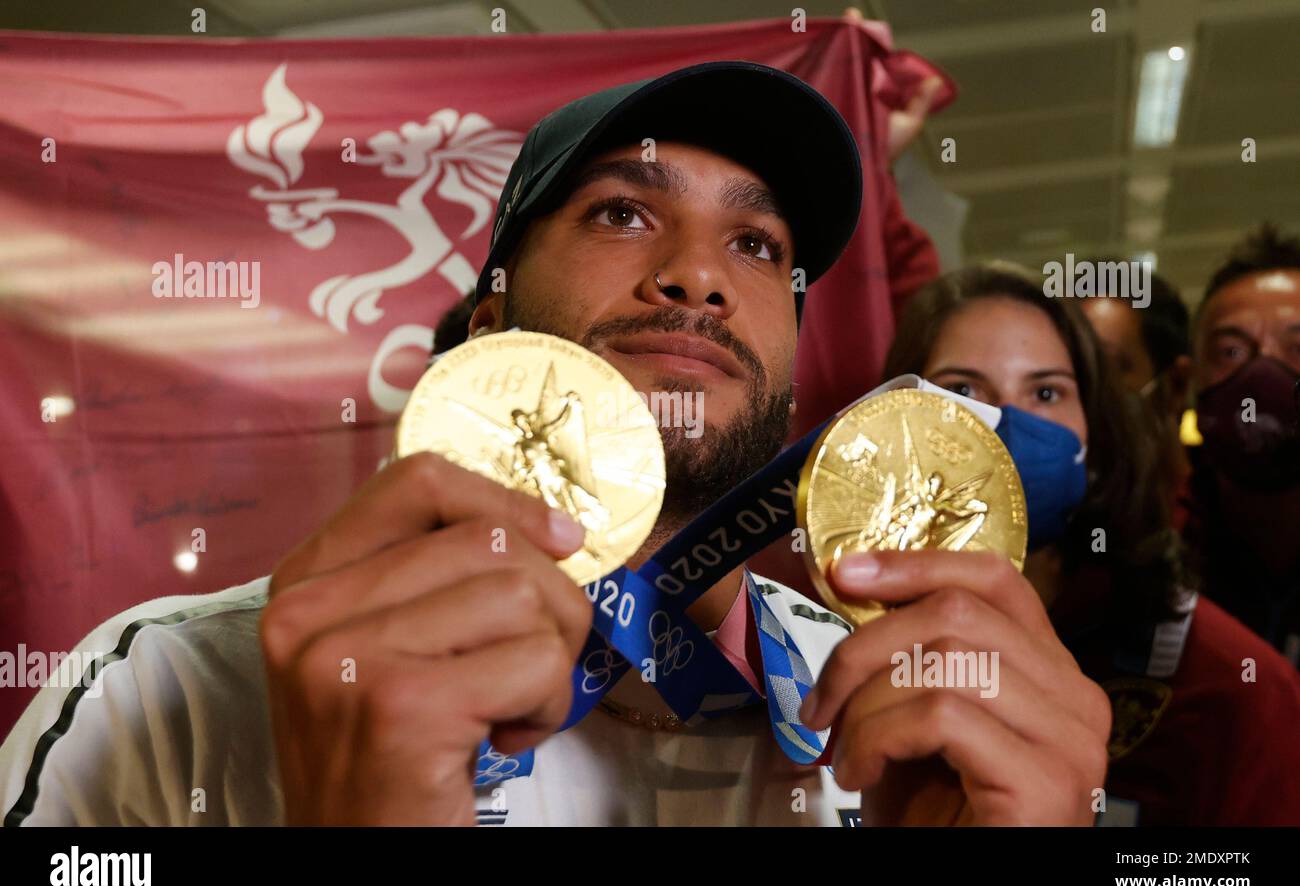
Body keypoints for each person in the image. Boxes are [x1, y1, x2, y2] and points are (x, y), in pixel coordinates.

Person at [0, 62, 1107, 827]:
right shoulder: (165, 685)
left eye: (758, 244)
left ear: (793, 366)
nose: (701, 276)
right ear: (488, 329)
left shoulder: (914, 709)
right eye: (621, 212)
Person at [882, 263, 1300, 825]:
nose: (1008, 424)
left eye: (1047, 391)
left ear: (1096, 435)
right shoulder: (832, 640)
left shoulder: (1227, 682)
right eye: (961, 390)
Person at [1184, 224, 1300, 665]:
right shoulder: (1146, 561)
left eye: (1297, 348)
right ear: (1190, 378)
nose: (1263, 374)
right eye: (1231, 351)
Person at [1077, 264, 1193, 522]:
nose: (1085, 390)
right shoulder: (1057, 536)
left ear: (1176, 385)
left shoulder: (1225, 526)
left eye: (1106, 367)